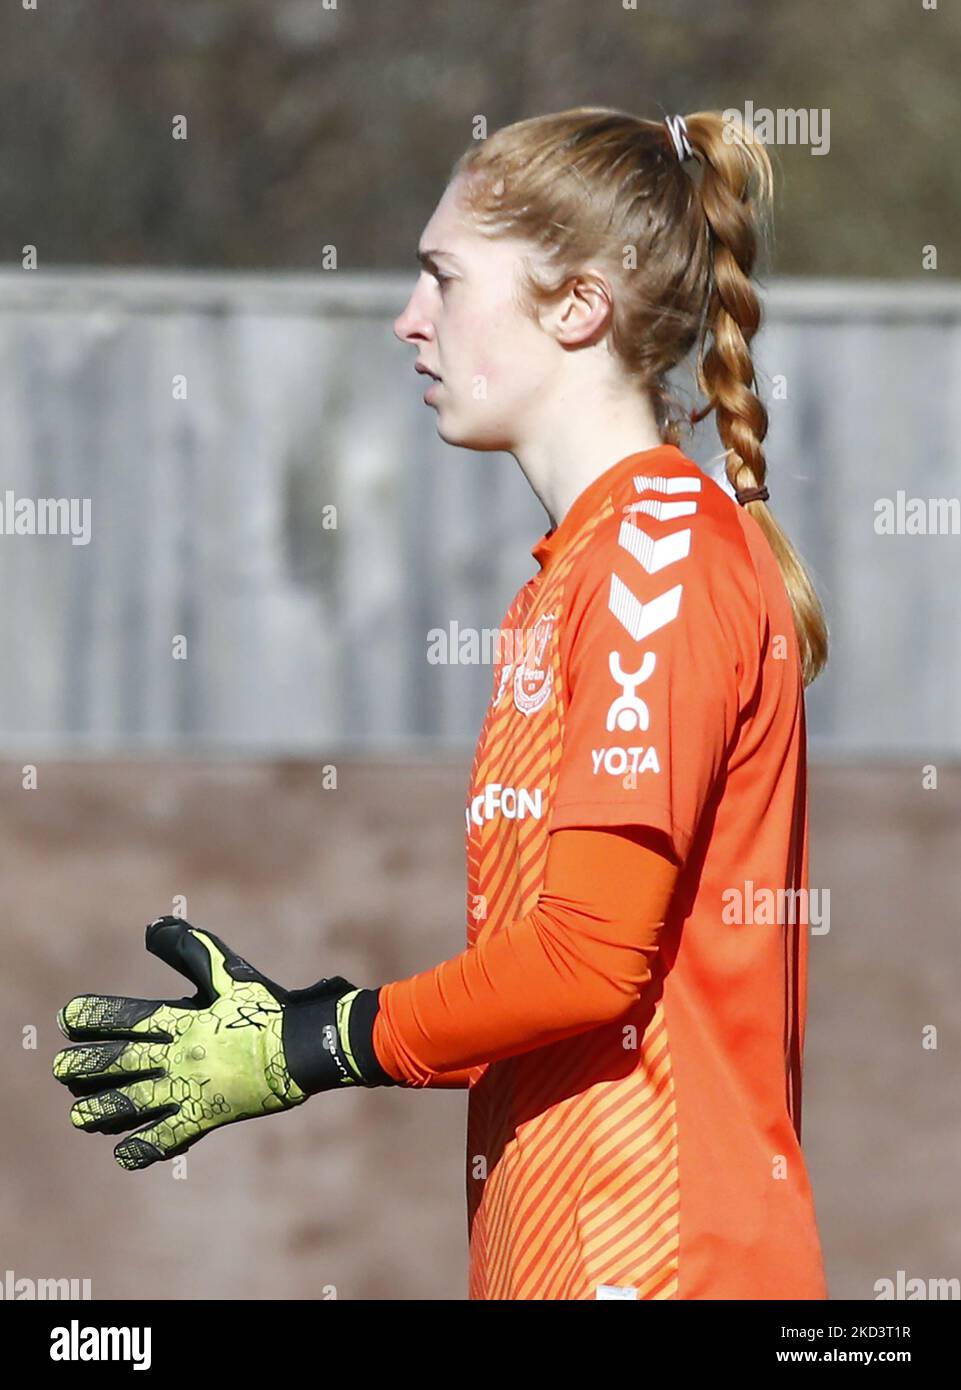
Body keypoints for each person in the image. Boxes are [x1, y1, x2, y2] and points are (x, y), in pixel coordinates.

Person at [52, 107, 830, 1302]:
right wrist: (314, 1017)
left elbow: (588, 958)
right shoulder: (581, 565)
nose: (408, 318)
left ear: (576, 307)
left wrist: (323, 1042)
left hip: (659, 1259)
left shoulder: (653, 556)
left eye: (442, 277)